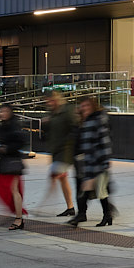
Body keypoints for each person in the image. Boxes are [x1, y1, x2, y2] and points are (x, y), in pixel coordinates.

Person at [72, 94, 116, 228]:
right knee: (96, 190)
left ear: (93, 106)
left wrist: (104, 161)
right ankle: (106, 215)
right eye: (82, 106)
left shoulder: (98, 119)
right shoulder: (87, 120)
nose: (84, 108)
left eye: (87, 105)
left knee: (94, 190)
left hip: (97, 161)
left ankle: (82, 216)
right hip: (89, 161)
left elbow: (104, 141)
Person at [40, 90, 78, 218]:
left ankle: (43, 206)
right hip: (56, 151)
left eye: (50, 101)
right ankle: (70, 207)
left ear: (56, 99)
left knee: (54, 176)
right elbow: (50, 132)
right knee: (62, 179)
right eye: (47, 102)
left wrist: (68, 143)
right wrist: (46, 125)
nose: (49, 104)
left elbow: (74, 128)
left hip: (65, 151)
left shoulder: (67, 110)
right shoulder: (53, 113)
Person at [0, 104, 28, 229]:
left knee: (13, 190)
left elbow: (20, 143)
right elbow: (3, 144)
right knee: (1, 189)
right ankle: (14, 213)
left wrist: (6, 149)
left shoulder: (14, 126)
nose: (2, 113)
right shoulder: (3, 126)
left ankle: (19, 219)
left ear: (10, 112)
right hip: (5, 162)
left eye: (5, 111)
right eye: (0, 111)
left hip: (13, 162)